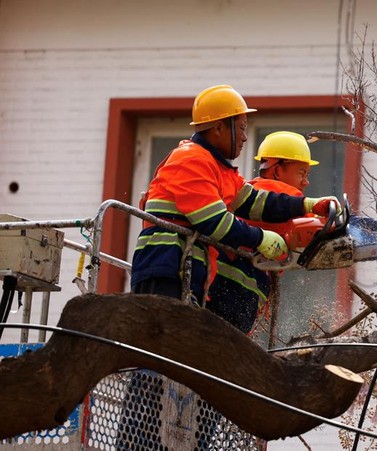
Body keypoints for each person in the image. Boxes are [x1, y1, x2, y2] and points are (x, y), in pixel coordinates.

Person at [120, 86, 339, 451]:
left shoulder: (219, 169)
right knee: (158, 357)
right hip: (165, 265)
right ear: (219, 127)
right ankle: (137, 442)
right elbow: (212, 221)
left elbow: (254, 201)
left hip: (186, 272)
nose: (243, 137)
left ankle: (165, 440)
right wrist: (261, 239)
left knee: (181, 362)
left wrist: (306, 205)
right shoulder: (191, 159)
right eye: (239, 125)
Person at [206, 131, 377, 335]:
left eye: (307, 175)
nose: (306, 182)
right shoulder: (274, 191)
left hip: (227, 288)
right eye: (301, 173)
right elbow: (326, 224)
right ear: (277, 169)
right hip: (235, 289)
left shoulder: (255, 193)